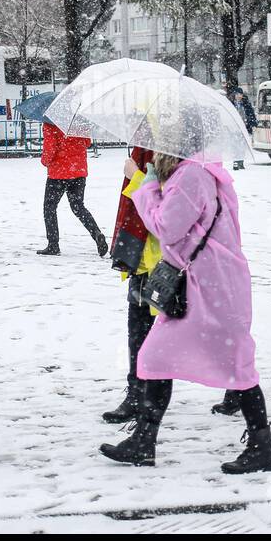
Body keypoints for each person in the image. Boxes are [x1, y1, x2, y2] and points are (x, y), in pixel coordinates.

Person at [100, 149, 271, 474]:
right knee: (156, 357)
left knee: (237, 366)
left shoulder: (192, 175)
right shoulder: (203, 172)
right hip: (209, 284)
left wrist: (143, 185)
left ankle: (262, 448)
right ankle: (144, 440)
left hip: (210, 287)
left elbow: (166, 228)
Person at [101, 146, 161, 423]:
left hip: (159, 256)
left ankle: (238, 385)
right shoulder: (143, 146)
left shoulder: (170, 149)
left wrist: (135, 176)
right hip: (139, 252)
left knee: (168, 334)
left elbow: (162, 204)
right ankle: (137, 393)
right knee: (138, 329)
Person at [37, 121, 108, 257]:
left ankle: (53, 245)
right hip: (78, 171)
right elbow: (87, 143)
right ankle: (97, 234)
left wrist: (44, 161)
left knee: (49, 207)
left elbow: (49, 151)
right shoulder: (79, 122)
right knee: (78, 207)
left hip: (59, 173)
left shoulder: (50, 124)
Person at [228, 86, 256, 171]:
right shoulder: (230, 103)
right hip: (234, 127)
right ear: (234, 94)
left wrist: (253, 123)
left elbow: (251, 113)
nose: (239, 96)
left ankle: (241, 162)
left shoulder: (245, 103)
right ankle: (236, 162)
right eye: (238, 94)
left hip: (244, 127)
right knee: (235, 145)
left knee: (242, 146)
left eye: (241, 94)